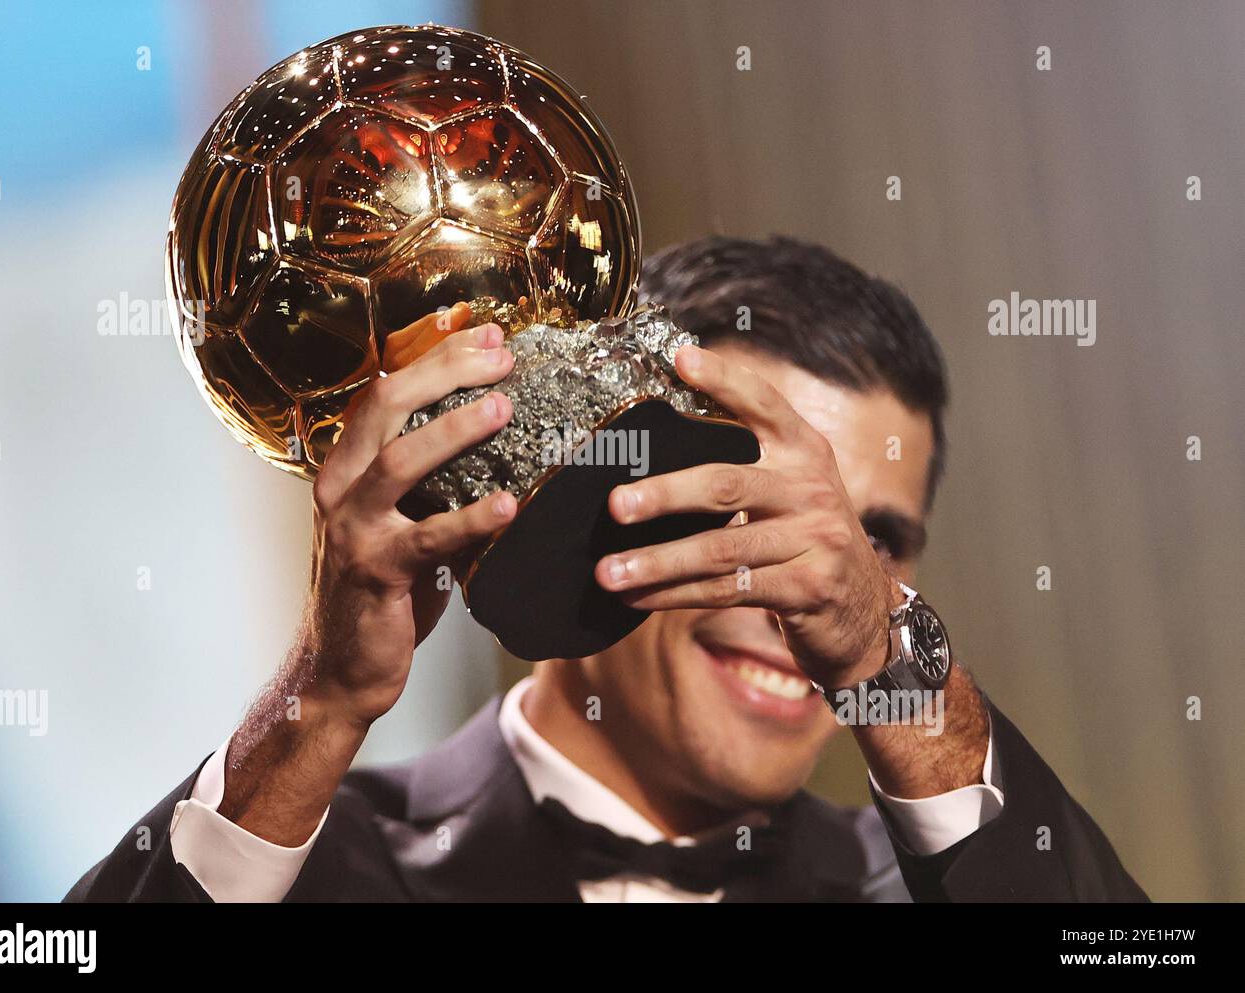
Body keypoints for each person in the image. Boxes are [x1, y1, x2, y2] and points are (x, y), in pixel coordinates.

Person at [68, 237, 1145, 902]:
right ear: (589, 485)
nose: (797, 588)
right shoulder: (297, 866)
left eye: (868, 545)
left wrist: (883, 654)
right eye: (744, 505)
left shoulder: (936, 884)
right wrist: (321, 703)